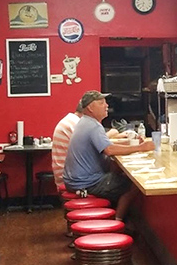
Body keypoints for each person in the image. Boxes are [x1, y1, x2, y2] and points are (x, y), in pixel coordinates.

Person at [63, 91, 153, 220]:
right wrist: (140, 148)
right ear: (90, 108)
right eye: (101, 103)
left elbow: (106, 143)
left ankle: (117, 218)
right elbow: (109, 150)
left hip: (75, 181)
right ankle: (118, 221)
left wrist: (129, 142)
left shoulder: (86, 122)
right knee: (133, 184)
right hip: (86, 183)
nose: (106, 106)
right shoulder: (93, 126)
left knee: (118, 175)